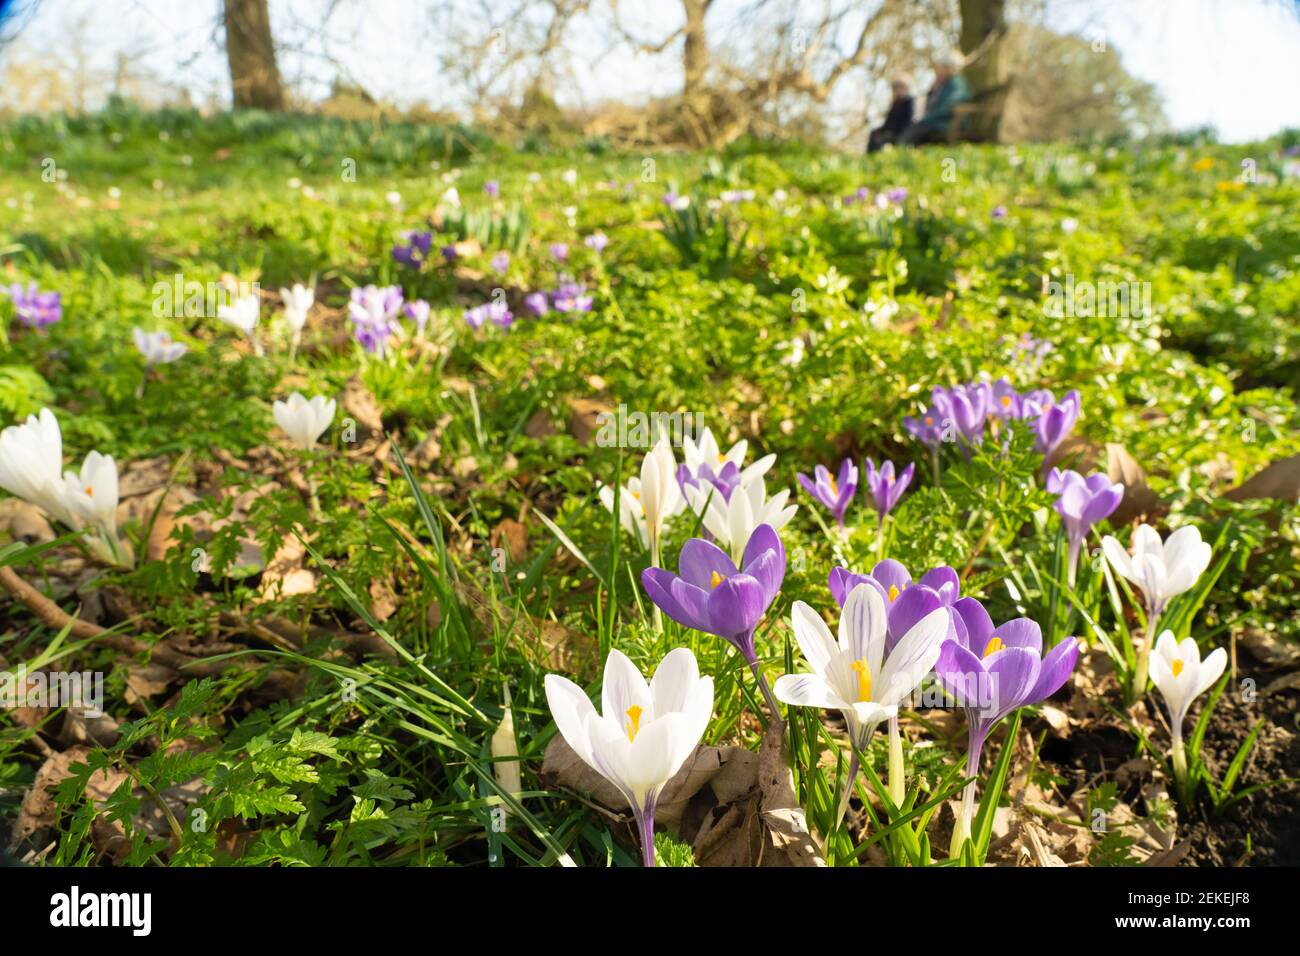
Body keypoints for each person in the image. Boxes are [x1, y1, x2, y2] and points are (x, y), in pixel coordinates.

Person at [899, 52, 971, 146]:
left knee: (913, 132)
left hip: (949, 123)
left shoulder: (957, 84)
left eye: (940, 67)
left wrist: (926, 119)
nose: (937, 71)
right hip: (940, 121)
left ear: (949, 68)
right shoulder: (944, 85)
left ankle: (902, 156)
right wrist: (933, 90)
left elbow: (947, 108)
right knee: (913, 129)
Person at [867, 78, 915, 152]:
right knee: (874, 133)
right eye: (895, 89)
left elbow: (907, 120)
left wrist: (891, 131)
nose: (897, 91)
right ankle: (873, 155)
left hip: (902, 131)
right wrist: (883, 130)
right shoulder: (895, 103)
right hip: (891, 131)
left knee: (882, 137)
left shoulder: (909, 101)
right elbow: (889, 120)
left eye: (900, 88)